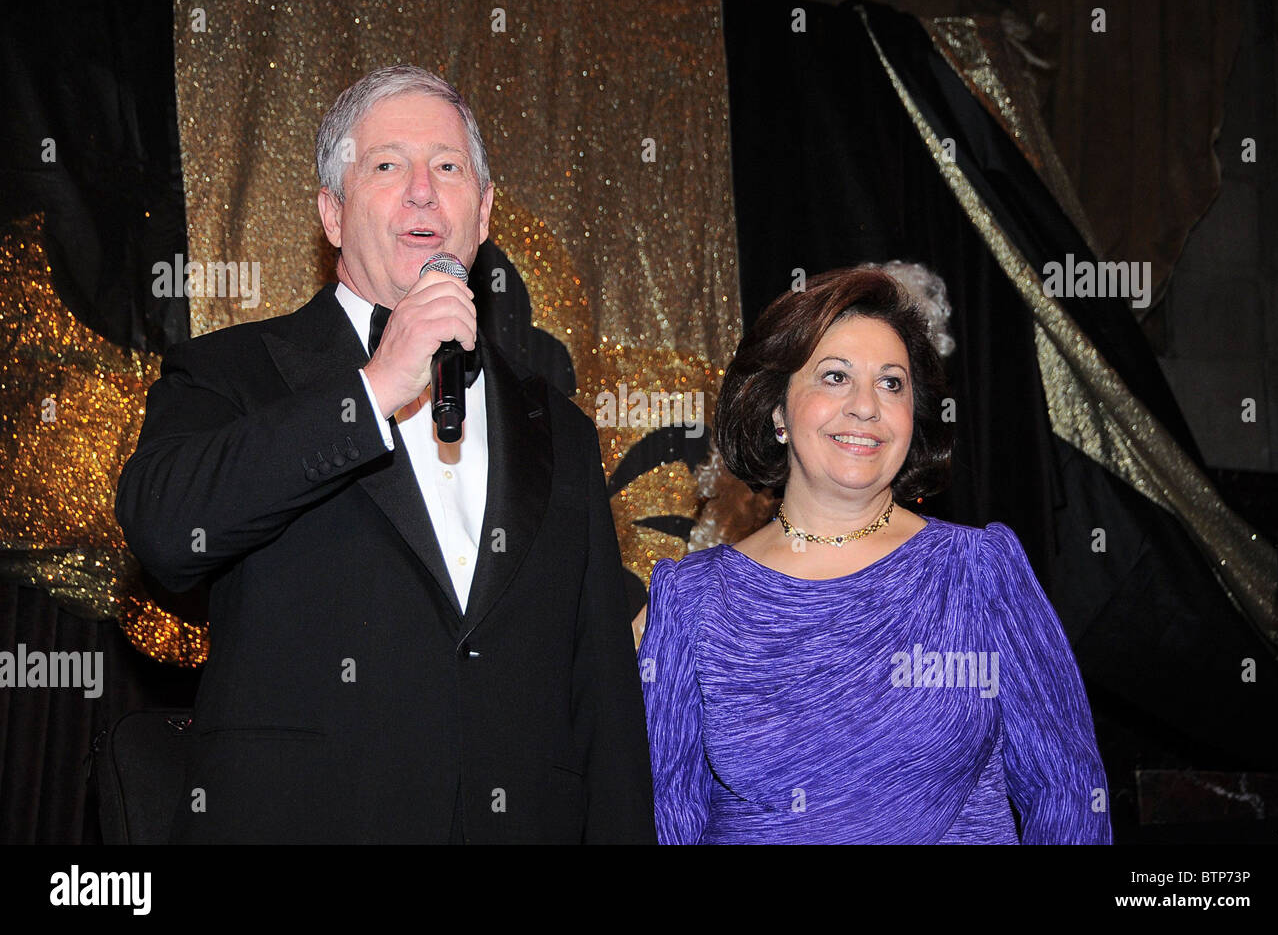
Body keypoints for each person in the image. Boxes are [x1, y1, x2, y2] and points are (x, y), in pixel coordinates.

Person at [115, 65, 654, 844]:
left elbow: (601, 691)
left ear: (485, 210)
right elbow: (164, 525)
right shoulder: (232, 372)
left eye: (447, 167)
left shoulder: (559, 429)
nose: (424, 191)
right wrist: (374, 388)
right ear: (332, 214)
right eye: (387, 165)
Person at [637, 266, 1111, 843]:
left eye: (892, 383)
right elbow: (668, 818)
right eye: (834, 377)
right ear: (778, 411)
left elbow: (1067, 795)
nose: (866, 406)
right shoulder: (691, 602)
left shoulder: (978, 573)